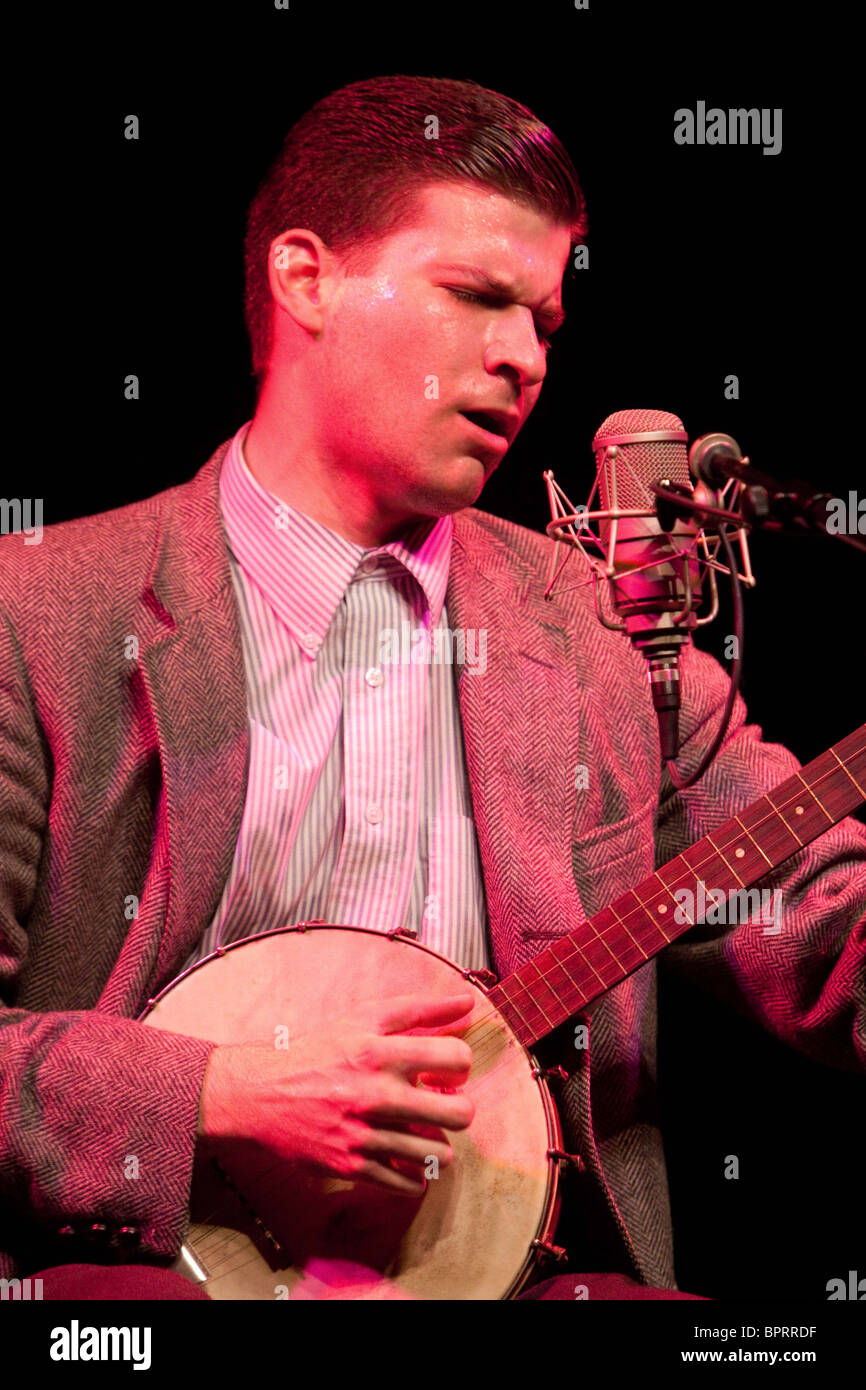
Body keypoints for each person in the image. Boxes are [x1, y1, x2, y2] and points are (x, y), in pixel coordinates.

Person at [1, 75, 864, 1303]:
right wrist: (218, 1092)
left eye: (544, 324)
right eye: (474, 298)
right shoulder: (37, 613)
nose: (521, 357)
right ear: (306, 279)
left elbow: (821, 922)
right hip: (129, 1270)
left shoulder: (600, 638)